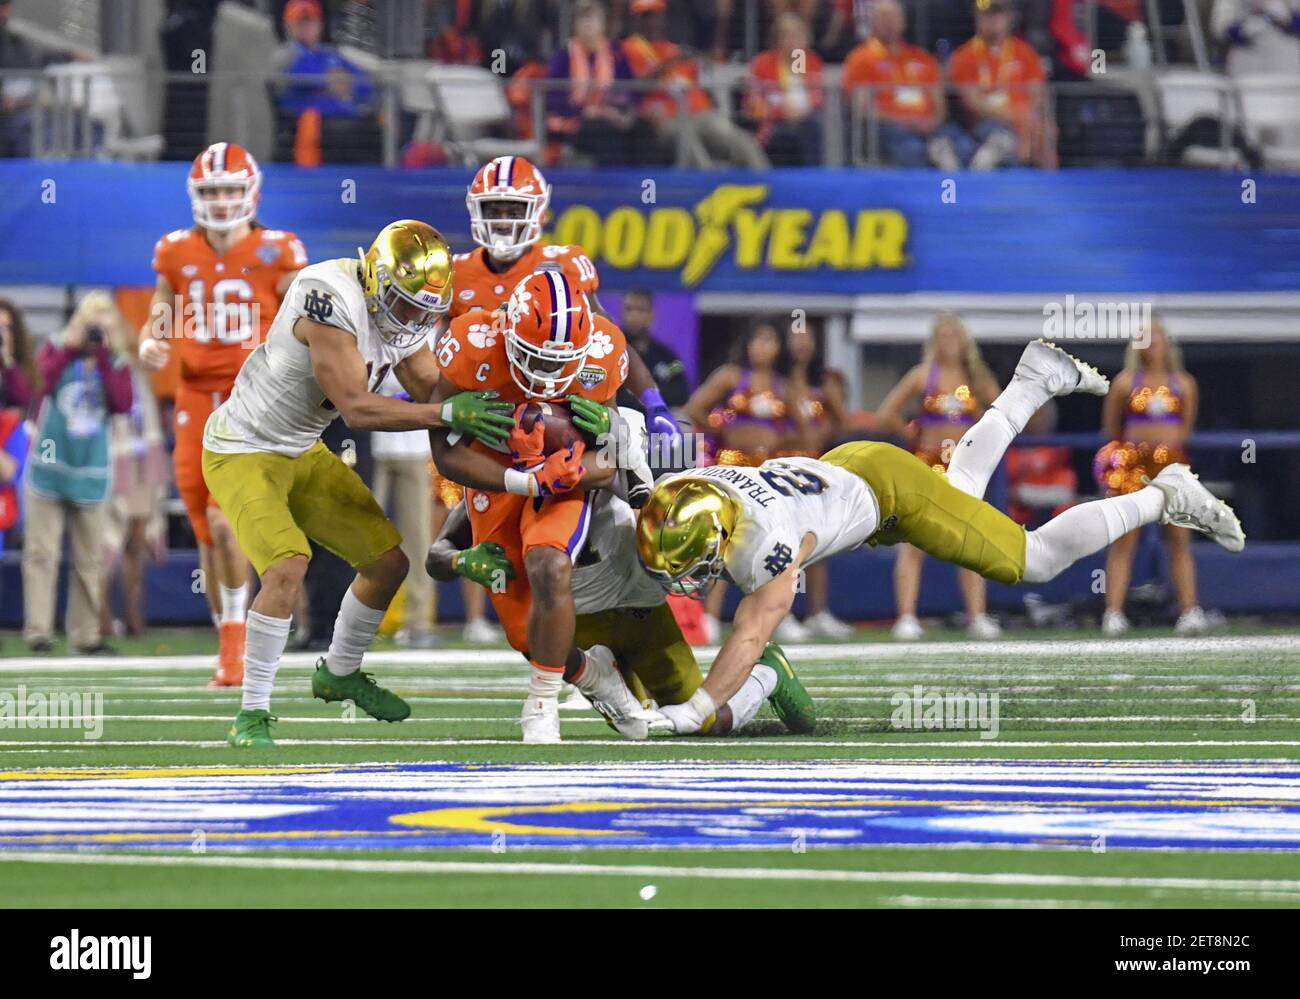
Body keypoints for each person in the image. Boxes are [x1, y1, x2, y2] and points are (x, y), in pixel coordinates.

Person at [635, 341, 1245, 735]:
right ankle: (1032, 382)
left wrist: (691, 713)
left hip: (884, 490)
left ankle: (1163, 494)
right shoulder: (690, 488)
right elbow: (639, 481)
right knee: (962, 484)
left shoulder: (766, 541)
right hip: (846, 469)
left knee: (1030, 559)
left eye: (696, 559)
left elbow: (748, 633)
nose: (694, 576)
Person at [200, 220, 515, 748]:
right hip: (244, 449)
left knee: (388, 562)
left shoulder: (405, 313)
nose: (412, 316)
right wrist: (444, 413)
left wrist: (501, 411)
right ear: (374, 277)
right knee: (286, 564)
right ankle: (251, 714)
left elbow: (428, 385)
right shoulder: (326, 297)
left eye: (422, 308)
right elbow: (358, 407)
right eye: (405, 302)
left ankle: (338, 672)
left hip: (302, 449)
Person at [429, 269, 650, 743]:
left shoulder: (604, 349)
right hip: (497, 473)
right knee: (525, 635)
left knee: (550, 565)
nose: (547, 376)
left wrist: (576, 468)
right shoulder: (473, 341)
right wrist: (521, 480)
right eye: (536, 360)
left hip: (562, 473)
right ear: (508, 333)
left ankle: (542, 703)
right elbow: (445, 454)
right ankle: (594, 674)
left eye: (559, 362)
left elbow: (609, 460)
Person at [427, 483, 814, 738]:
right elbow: (436, 554)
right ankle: (598, 676)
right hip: (581, 623)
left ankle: (766, 674)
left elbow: (643, 480)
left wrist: (621, 453)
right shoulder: (487, 495)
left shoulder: (590, 461)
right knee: (637, 728)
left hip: (639, 606)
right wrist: (460, 561)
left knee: (707, 724)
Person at [139, 141, 307, 687]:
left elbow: (304, 317)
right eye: (212, 191)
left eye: (230, 190)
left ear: (251, 193)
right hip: (192, 401)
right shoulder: (174, 251)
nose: (220, 201)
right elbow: (160, 319)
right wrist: (151, 343)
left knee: (225, 522)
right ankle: (227, 641)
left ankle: (236, 647)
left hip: (248, 400)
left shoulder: (278, 250)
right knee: (207, 536)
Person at [873, 313, 1002, 640]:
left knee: (970, 540)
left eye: (954, 337)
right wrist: (910, 435)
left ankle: (977, 616)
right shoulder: (922, 375)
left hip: (965, 465)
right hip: (928, 464)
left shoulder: (976, 377)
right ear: (934, 342)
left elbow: (1003, 411)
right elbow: (886, 412)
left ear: (964, 342)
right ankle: (905, 617)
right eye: (942, 337)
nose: (949, 343)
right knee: (915, 540)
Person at [23, 292, 135, 655]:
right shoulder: (56, 348)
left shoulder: (115, 361)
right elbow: (39, 385)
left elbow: (122, 403)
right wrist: (71, 349)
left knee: (90, 558)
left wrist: (101, 355)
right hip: (50, 465)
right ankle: (38, 632)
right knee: (41, 554)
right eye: (92, 325)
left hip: (90, 469)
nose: (96, 334)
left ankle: (86, 635)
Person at [684, 320, 807, 642]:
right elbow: (695, 407)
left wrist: (781, 441)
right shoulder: (730, 376)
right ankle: (709, 616)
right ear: (747, 345)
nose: (762, 347)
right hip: (733, 467)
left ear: (779, 348)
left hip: (769, 472)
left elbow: (806, 429)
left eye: (769, 340)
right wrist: (720, 432)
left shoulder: (785, 386)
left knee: (780, 539)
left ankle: (782, 613)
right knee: (725, 537)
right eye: (757, 340)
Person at [1096, 321, 1208, 637]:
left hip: (1171, 465)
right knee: (1124, 539)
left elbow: (1185, 429)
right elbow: (1111, 428)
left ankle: (1189, 611)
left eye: (1157, 339)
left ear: (1167, 344)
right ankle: (1114, 613)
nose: (1152, 345)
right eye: (1146, 339)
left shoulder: (1184, 383)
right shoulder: (1125, 383)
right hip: (1132, 465)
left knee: (1179, 538)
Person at [777, 319, 854, 639]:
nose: (802, 342)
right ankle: (781, 613)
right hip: (778, 468)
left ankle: (817, 613)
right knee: (782, 542)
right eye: (795, 335)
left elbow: (842, 421)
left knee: (817, 542)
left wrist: (819, 436)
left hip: (814, 471)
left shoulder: (824, 383)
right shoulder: (775, 381)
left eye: (807, 335)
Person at [622, 0, 768, 168]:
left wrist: (699, 66)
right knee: (689, 142)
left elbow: (699, 82)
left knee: (742, 140)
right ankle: (708, 187)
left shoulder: (675, 49)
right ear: (636, 20)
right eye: (646, 16)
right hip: (667, 120)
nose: (653, 21)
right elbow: (634, 86)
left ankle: (768, 185)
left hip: (700, 115)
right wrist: (668, 64)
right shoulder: (627, 49)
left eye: (656, 15)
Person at [840, 0, 970, 169]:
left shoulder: (922, 58)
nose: (889, 23)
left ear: (903, 21)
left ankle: (956, 187)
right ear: (873, 21)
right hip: (889, 128)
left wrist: (930, 122)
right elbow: (863, 108)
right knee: (912, 150)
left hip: (928, 126)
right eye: (884, 18)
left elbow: (940, 107)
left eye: (893, 17)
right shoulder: (860, 59)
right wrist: (907, 121)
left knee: (964, 146)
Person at [102, 314, 168, 639]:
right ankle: (100, 619)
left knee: (135, 545)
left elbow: (149, 417)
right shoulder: (101, 369)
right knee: (105, 546)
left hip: (142, 462)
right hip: (115, 460)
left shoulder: (138, 370)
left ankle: (132, 616)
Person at [371, 367, 438, 649]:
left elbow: (431, 383)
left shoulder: (427, 333)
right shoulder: (361, 329)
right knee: (358, 536)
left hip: (415, 445)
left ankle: (418, 621)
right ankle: (357, 618)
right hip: (368, 442)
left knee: (418, 538)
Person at [546, 1, 658, 166]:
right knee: (605, 133)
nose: (589, 24)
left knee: (642, 129)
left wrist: (626, 113)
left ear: (603, 24)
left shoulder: (616, 53)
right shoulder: (564, 57)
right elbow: (553, 99)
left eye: (594, 19)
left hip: (613, 115)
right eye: (584, 19)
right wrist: (586, 111)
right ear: (575, 25)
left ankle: (646, 184)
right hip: (576, 121)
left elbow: (632, 89)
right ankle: (613, 186)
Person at [947, 0, 1056, 169]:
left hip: (1026, 121)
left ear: (1009, 17)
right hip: (986, 122)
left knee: (1046, 132)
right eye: (986, 15)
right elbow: (972, 102)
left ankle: (1048, 185)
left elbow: (1037, 94)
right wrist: (1014, 116)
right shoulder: (964, 56)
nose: (992, 20)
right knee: (1006, 135)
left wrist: (1025, 117)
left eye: (998, 14)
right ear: (977, 18)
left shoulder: (1025, 52)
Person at [273, 0, 379, 165]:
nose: (305, 27)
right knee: (348, 132)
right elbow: (298, 80)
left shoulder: (331, 54)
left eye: (310, 21)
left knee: (376, 125)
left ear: (320, 24)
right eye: (300, 22)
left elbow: (364, 84)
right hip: (309, 122)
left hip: (346, 117)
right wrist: (331, 82)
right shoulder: (285, 54)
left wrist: (345, 84)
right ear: (288, 25)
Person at [744, 12, 825, 165]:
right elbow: (752, 103)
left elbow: (815, 96)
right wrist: (780, 111)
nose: (793, 41)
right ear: (777, 39)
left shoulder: (803, 59)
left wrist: (802, 110)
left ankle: (810, 179)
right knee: (787, 136)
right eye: (788, 36)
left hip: (803, 119)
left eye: (798, 35)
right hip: (772, 124)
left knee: (813, 128)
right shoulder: (763, 63)